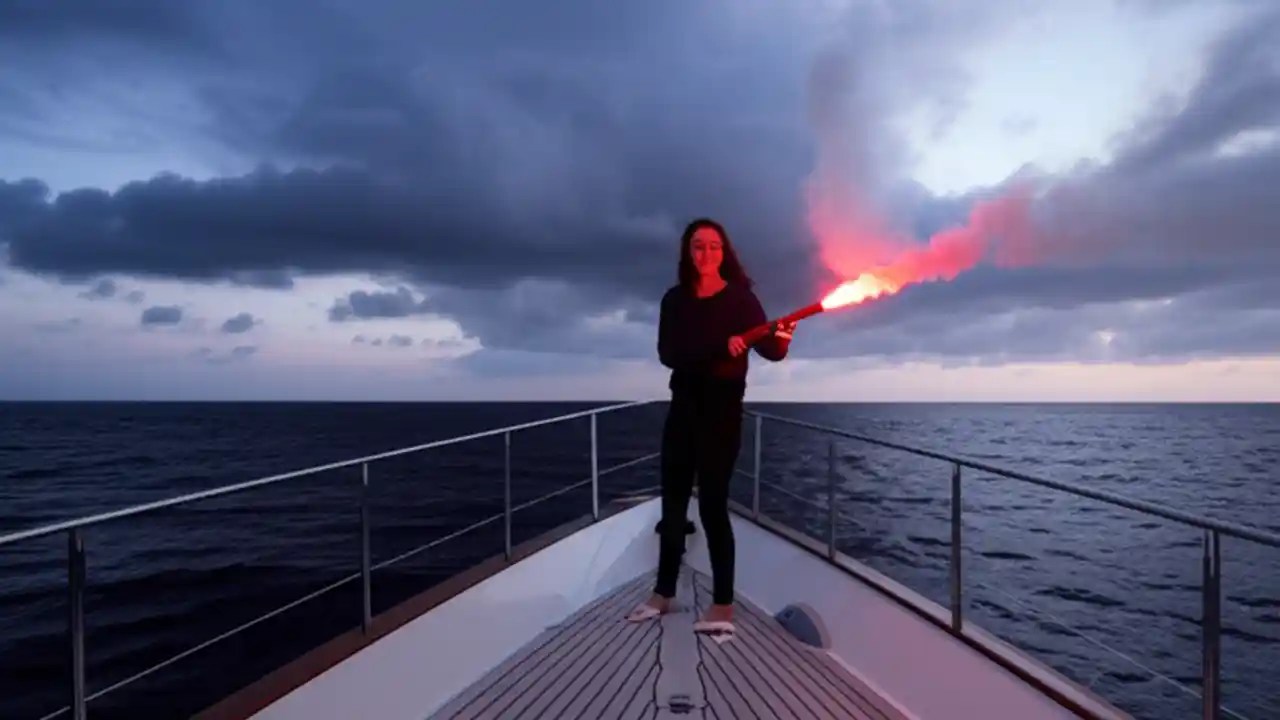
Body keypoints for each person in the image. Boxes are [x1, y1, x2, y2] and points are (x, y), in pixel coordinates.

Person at [625, 217, 795, 634]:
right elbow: (670, 353)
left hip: (721, 415)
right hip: (683, 410)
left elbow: (770, 350)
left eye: (714, 246)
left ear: (725, 252)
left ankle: (722, 606)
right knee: (673, 504)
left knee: (713, 507)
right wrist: (722, 346)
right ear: (688, 252)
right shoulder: (675, 301)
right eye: (699, 246)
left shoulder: (740, 300)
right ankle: (662, 594)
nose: (706, 253)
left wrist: (783, 337)